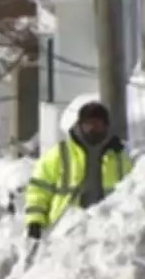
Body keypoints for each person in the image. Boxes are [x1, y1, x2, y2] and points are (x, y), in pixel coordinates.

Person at [25, 101, 132, 243]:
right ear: (80, 124)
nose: (92, 128)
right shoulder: (60, 152)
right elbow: (38, 189)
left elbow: (132, 192)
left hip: (106, 232)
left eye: (97, 124)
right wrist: (35, 221)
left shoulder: (120, 156)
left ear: (105, 126)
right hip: (65, 230)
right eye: (88, 123)